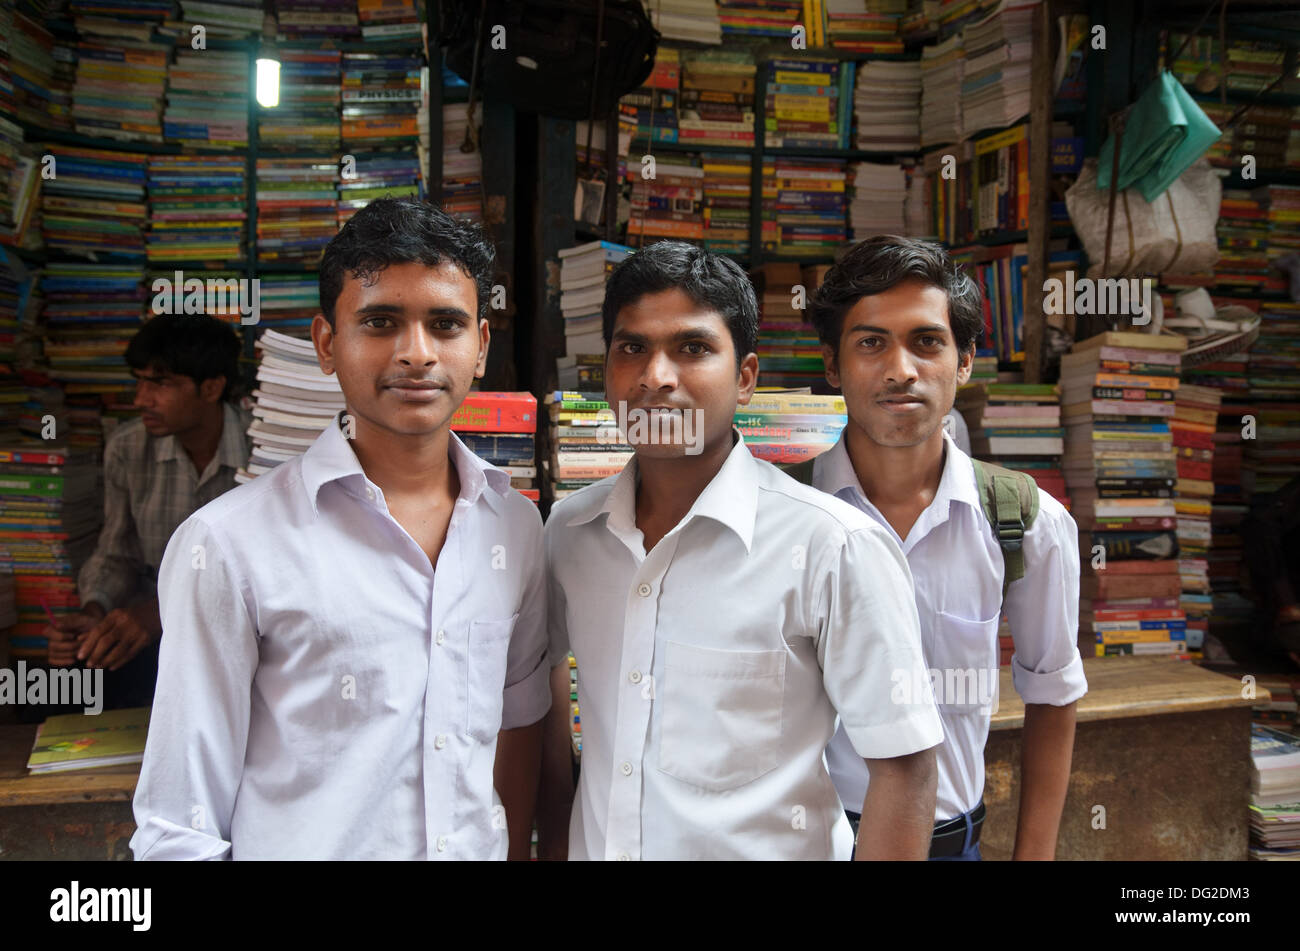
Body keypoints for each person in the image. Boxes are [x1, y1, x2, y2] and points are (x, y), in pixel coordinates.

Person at [130, 198, 549, 860]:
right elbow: (180, 820)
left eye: (445, 324)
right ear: (328, 344)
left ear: (480, 348)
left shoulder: (517, 529)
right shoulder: (227, 544)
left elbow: (518, 721)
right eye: (381, 322)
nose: (417, 353)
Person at [536, 240, 943, 861]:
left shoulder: (833, 546)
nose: (656, 377)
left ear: (746, 377)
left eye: (693, 349)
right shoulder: (569, 533)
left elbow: (905, 767)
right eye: (632, 349)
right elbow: (542, 705)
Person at [806, 235, 1087, 860]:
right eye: (871, 342)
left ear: (964, 362)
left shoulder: (1025, 522)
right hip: (799, 842)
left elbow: (1053, 697)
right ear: (833, 365)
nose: (900, 369)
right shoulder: (782, 514)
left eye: (927, 341)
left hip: (949, 844)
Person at [43, 315, 249, 710]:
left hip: (239, 632)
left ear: (211, 387)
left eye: (160, 383)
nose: (141, 399)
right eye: (139, 380)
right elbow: (116, 552)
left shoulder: (263, 449)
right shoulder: (127, 448)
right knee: (69, 679)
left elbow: (268, 573)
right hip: (151, 637)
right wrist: (94, 611)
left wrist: (161, 613)